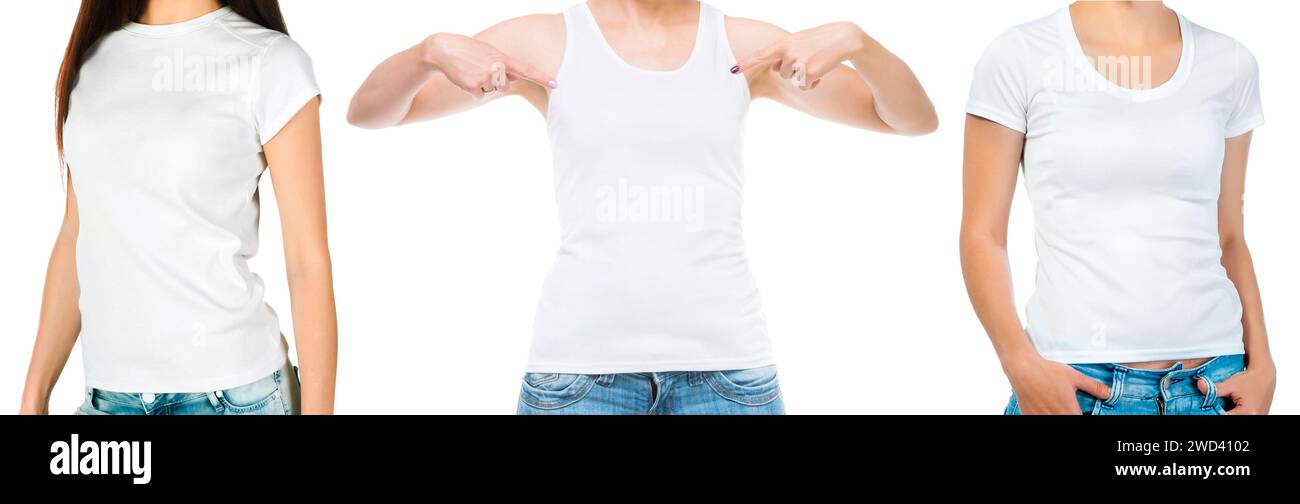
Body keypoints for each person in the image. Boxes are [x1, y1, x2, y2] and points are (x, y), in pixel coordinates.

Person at [349, 0, 936, 414]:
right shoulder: (546, 42)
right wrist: (426, 52)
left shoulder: (744, 46)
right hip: (579, 378)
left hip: (727, 377)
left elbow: (909, 119)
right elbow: (372, 112)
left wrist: (861, 41)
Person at [20, 0, 337, 415]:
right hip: (109, 400)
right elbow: (76, 234)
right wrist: (34, 397)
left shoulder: (269, 62)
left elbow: (306, 263)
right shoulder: (93, 63)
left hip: (233, 395)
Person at [961, 1, 1275, 415]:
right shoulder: (1020, 54)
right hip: (1073, 386)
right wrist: (1019, 362)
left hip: (1214, 387)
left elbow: (1229, 233)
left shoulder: (1231, 62)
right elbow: (981, 234)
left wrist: (1264, 365)